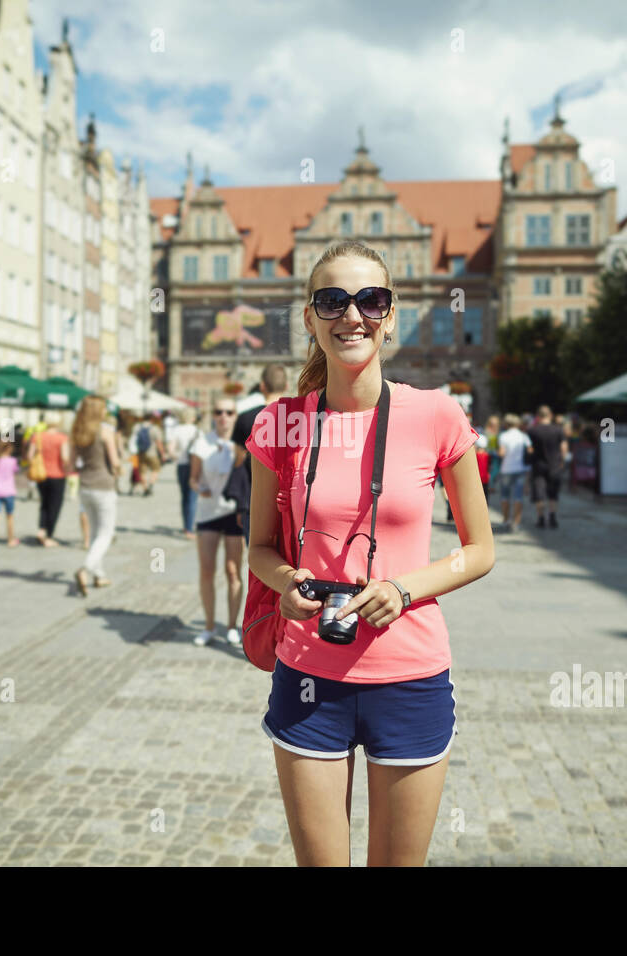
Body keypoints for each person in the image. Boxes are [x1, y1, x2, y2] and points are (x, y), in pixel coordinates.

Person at [246, 239, 494, 867]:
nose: (351, 315)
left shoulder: (437, 414)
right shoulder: (278, 423)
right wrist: (288, 585)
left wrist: (404, 589)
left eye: (369, 299)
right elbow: (258, 547)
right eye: (332, 300)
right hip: (308, 677)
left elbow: (480, 549)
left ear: (390, 314)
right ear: (310, 318)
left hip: (409, 678)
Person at [189, 397, 244, 647]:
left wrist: (237, 453)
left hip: (234, 511)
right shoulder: (202, 443)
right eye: (219, 412)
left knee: (233, 570)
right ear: (213, 415)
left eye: (229, 412)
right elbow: (192, 477)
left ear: (235, 416)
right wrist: (198, 488)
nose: (224, 417)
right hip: (208, 512)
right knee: (206, 570)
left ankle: (232, 626)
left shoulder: (242, 444)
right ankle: (209, 626)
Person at [229, 364, 289, 544]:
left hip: (254, 500)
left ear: (262, 386)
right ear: (286, 386)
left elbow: (237, 460)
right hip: (291, 502)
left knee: (260, 557)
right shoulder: (300, 416)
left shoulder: (247, 418)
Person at [71, 395, 120, 593]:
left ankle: (99, 576)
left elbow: (71, 464)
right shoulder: (105, 432)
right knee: (106, 533)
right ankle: (86, 569)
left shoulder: (78, 432)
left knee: (94, 532)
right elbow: (115, 462)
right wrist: (117, 471)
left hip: (85, 485)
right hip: (104, 485)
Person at [28, 414, 72, 547]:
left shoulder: (38, 436)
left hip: (41, 475)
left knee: (44, 504)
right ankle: (49, 536)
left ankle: (41, 529)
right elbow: (65, 458)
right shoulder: (62, 438)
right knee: (55, 506)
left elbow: (30, 456)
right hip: (57, 475)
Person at [526, 405, 569, 528]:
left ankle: (541, 519)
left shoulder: (532, 431)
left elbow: (529, 449)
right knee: (553, 493)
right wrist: (562, 461)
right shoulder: (558, 430)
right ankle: (553, 517)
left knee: (539, 493)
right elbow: (564, 448)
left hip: (538, 465)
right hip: (555, 465)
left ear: (538, 417)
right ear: (550, 415)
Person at [168, 406, 200, 538]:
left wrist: (177, 456)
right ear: (192, 417)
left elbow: (170, 449)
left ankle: (185, 526)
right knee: (192, 497)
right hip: (194, 465)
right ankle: (189, 528)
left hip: (181, 465)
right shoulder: (196, 431)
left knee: (184, 496)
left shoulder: (176, 430)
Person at [496, 413, 531, 531]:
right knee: (518, 496)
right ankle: (516, 522)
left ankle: (505, 520)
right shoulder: (523, 436)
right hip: (520, 468)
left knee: (505, 496)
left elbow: (501, 453)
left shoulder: (503, 436)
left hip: (506, 468)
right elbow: (530, 450)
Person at [133, 413, 165, 496]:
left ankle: (145, 487)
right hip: (152, 453)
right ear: (151, 419)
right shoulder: (154, 428)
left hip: (140, 452)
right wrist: (162, 454)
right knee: (156, 469)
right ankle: (151, 483)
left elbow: (133, 439)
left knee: (142, 472)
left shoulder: (137, 427)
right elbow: (159, 443)